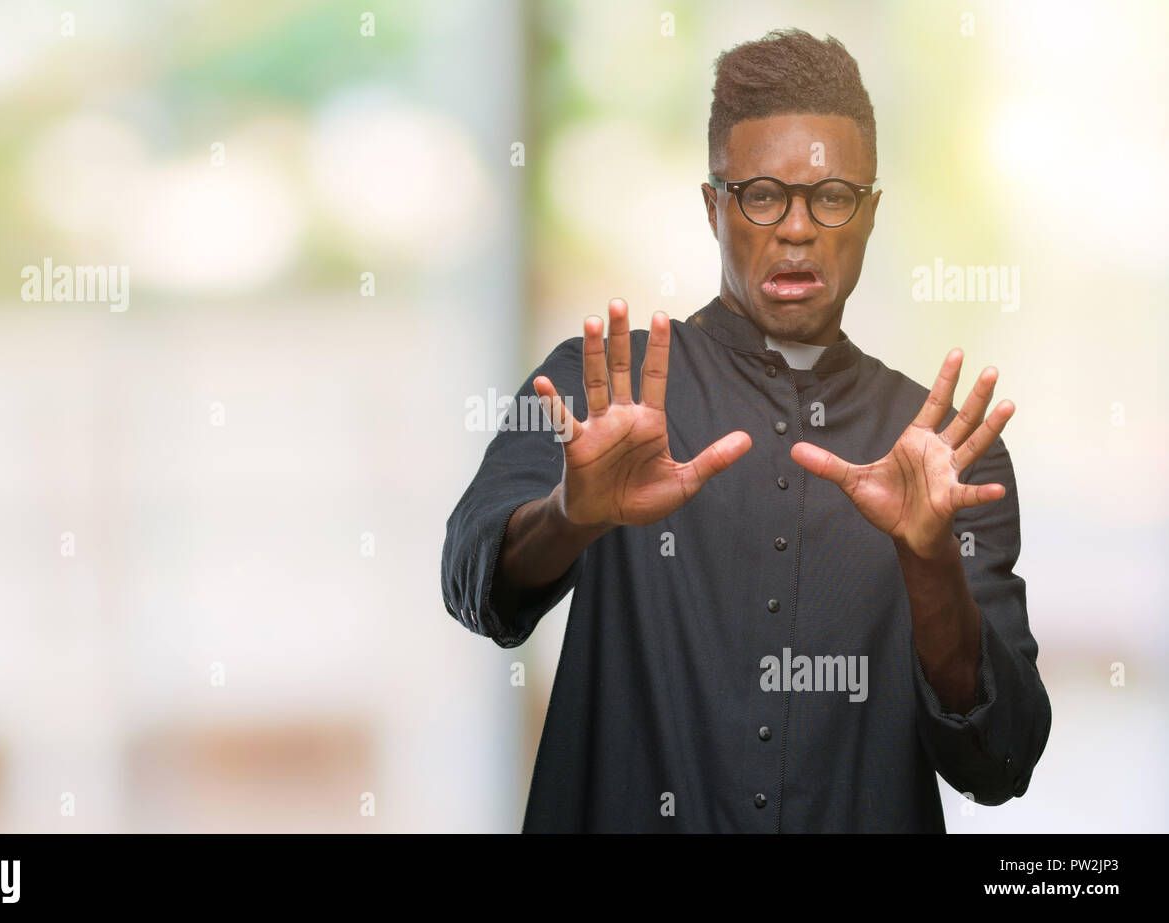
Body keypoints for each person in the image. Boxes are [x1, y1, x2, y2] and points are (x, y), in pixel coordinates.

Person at [440, 28, 1050, 833]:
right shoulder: (607, 390)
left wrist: (929, 561)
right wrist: (570, 513)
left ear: (869, 214)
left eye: (832, 196)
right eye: (761, 194)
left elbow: (1000, 762)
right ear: (713, 206)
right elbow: (473, 585)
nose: (797, 228)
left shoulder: (943, 449)